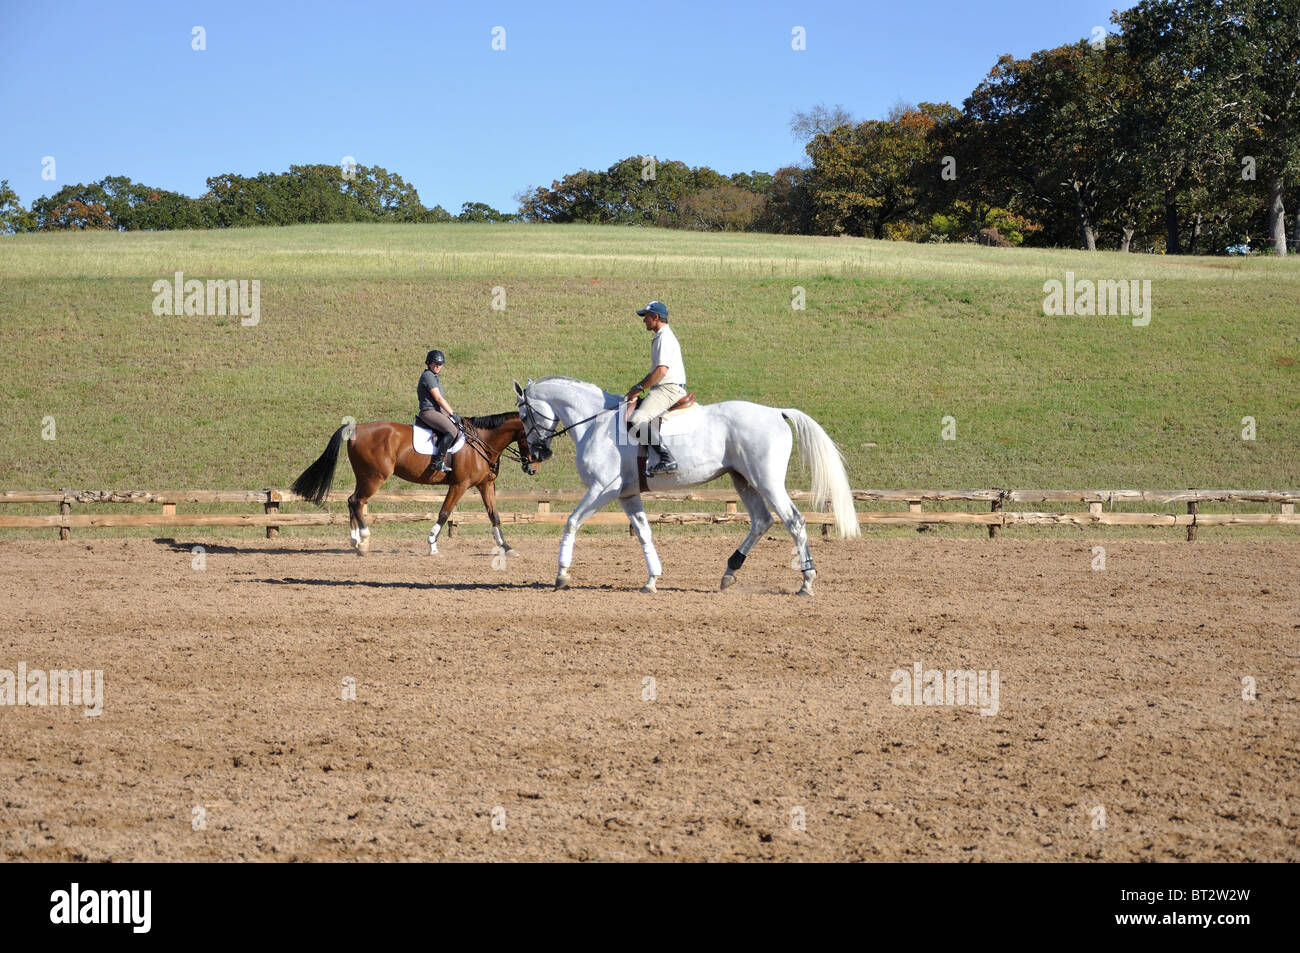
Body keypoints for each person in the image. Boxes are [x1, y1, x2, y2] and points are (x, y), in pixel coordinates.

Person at [624, 300, 687, 476]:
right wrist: (636, 387)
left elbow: (661, 371)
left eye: (646, 317)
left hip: (668, 389)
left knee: (637, 419)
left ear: (656, 317)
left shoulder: (665, 338)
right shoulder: (661, 336)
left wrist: (639, 388)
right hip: (663, 387)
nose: (644, 320)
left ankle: (667, 459)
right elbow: (655, 372)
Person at [417, 349, 459, 472]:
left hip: (437, 411)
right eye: (435, 363)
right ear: (429, 362)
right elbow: (439, 399)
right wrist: (452, 414)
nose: (438, 366)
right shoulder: (428, 376)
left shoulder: (434, 377)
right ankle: (437, 462)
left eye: (440, 364)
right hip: (429, 412)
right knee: (452, 430)